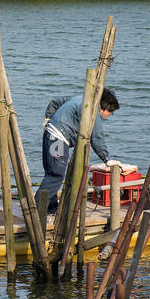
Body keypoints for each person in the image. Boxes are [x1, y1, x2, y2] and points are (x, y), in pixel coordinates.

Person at [36, 88, 121, 218]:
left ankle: (50, 207)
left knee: (51, 172)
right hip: (58, 139)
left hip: (49, 134)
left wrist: (49, 117)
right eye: (111, 112)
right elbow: (97, 137)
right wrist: (106, 158)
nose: (109, 116)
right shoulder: (93, 111)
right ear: (106, 108)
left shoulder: (79, 99)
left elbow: (55, 101)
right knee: (56, 174)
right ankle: (36, 209)